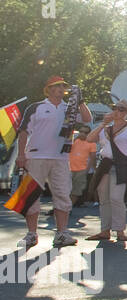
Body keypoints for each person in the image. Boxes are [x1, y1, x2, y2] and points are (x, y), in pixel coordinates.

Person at [15, 76, 91, 250]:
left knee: (63, 194)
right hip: (36, 156)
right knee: (31, 195)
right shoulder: (36, 107)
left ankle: (61, 233)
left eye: (62, 87)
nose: (60, 89)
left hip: (61, 158)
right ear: (48, 89)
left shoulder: (69, 108)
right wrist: (20, 155)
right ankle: (32, 234)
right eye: (56, 87)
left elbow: (87, 118)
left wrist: (80, 100)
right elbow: (23, 132)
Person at [85, 101, 127, 243]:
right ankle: (105, 230)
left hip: (122, 165)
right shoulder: (106, 128)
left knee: (116, 198)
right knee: (104, 198)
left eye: (121, 109)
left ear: (126, 112)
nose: (117, 111)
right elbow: (89, 139)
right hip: (105, 164)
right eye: (115, 108)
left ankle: (120, 231)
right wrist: (103, 124)